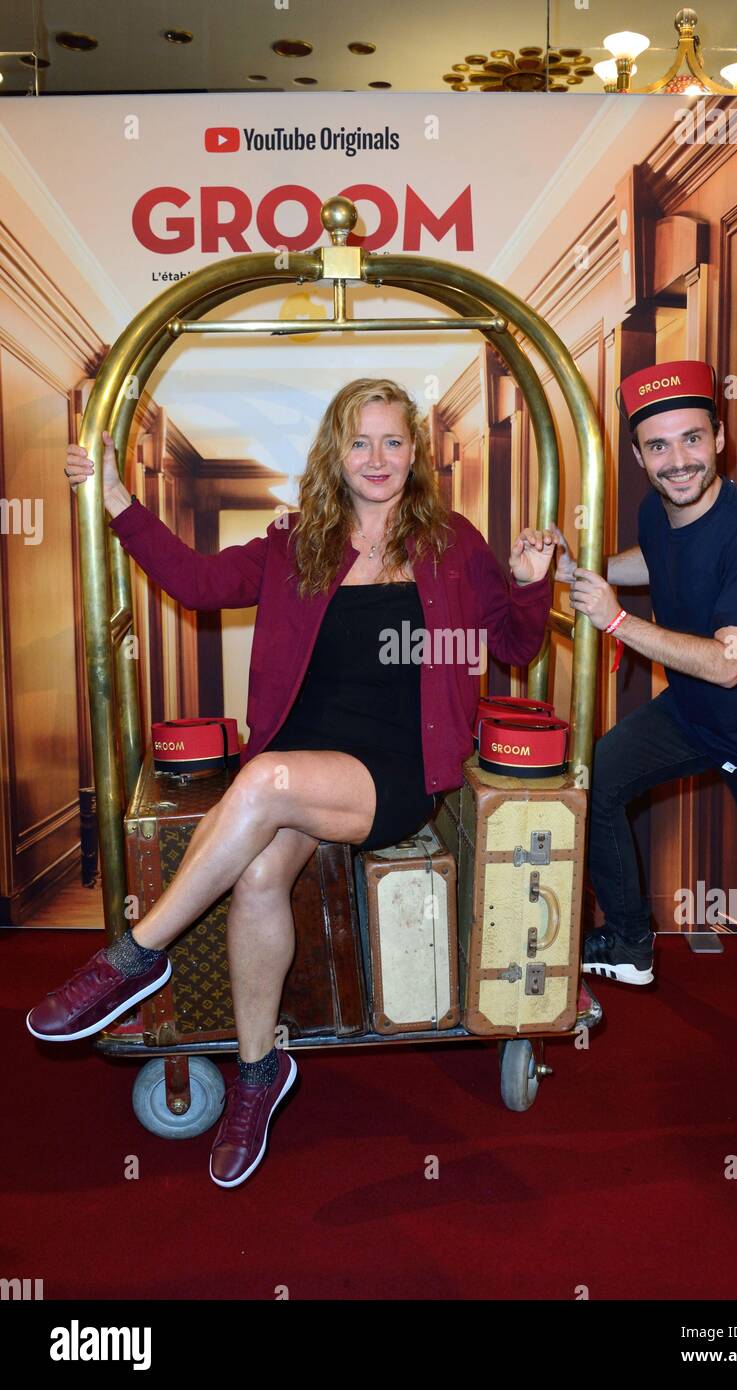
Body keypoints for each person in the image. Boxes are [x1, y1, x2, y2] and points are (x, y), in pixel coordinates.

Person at [27, 377, 558, 1186]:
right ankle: (255, 1074)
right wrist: (118, 504)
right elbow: (198, 583)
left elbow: (517, 646)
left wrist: (527, 576)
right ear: (333, 454)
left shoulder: (450, 540)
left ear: (414, 452)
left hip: (395, 769)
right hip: (306, 761)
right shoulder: (296, 539)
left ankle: (137, 954)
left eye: (392, 441)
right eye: (360, 442)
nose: (377, 459)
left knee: (266, 779)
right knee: (260, 877)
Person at [555, 359, 737, 1106]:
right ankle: (634, 940)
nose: (679, 460)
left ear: (721, 438)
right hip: (696, 713)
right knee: (600, 775)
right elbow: (653, 557)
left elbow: (730, 664)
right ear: (640, 458)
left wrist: (613, 618)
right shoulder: (654, 510)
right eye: (660, 447)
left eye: (691, 440)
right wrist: (576, 575)